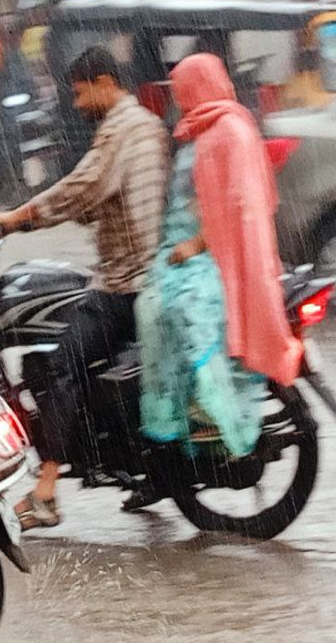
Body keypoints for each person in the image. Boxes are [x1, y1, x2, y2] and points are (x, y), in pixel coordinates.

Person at [0, 47, 170, 530]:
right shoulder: (147, 125)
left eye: (81, 91)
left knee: (55, 365)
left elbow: (80, 190)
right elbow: (99, 201)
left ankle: (45, 492)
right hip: (146, 272)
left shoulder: (120, 130)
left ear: (105, 82)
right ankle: (139, 466)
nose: (78, 102)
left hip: (127, 281)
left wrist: (14, 220)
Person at [129, 53, 303, 510]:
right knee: (147, 310)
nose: (178, 96)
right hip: (175, 250)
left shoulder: (230, 130)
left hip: (208, 255)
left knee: (179, 313)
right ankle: (165, 435)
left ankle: (211, 416)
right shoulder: (198, 128)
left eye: (183, 86)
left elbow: (240, 203)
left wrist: (199, 244)